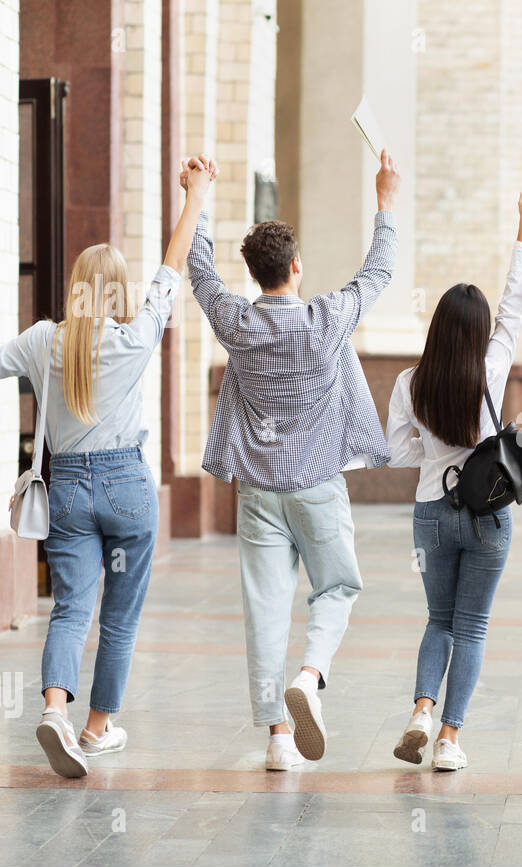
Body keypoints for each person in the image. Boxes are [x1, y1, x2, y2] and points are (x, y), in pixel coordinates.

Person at [0, 159, 212, 778]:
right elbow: (174, 264)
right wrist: (196, 194)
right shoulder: (138, 335)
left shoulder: (43, 339)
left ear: (76, 287)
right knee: (119, 617)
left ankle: (55, 710)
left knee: (70, 609)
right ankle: (97, 728)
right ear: (117, 291)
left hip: (71, 492)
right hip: (129, 490)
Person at [186, 150, 401, 772]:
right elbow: (378, 273)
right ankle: (309, 676)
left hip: (256, 489)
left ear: (255, 275)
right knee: (337, 585)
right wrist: (384, 200)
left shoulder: (237, 322)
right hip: (316, 483)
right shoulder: (326, 319)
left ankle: (278, 735)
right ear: (296, 267)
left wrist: (198, 198)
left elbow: (200, 272)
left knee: (264, 604)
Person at [386, 192, 522, 771]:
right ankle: (450, 741)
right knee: (471, 627)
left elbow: (397, 450)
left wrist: (433, 451)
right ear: (477, 333)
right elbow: (514, 308)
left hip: (431, 511)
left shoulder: (409, 381)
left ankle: (422, 711)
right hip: (487, 514)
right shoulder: (493, 367)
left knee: (439, 620)